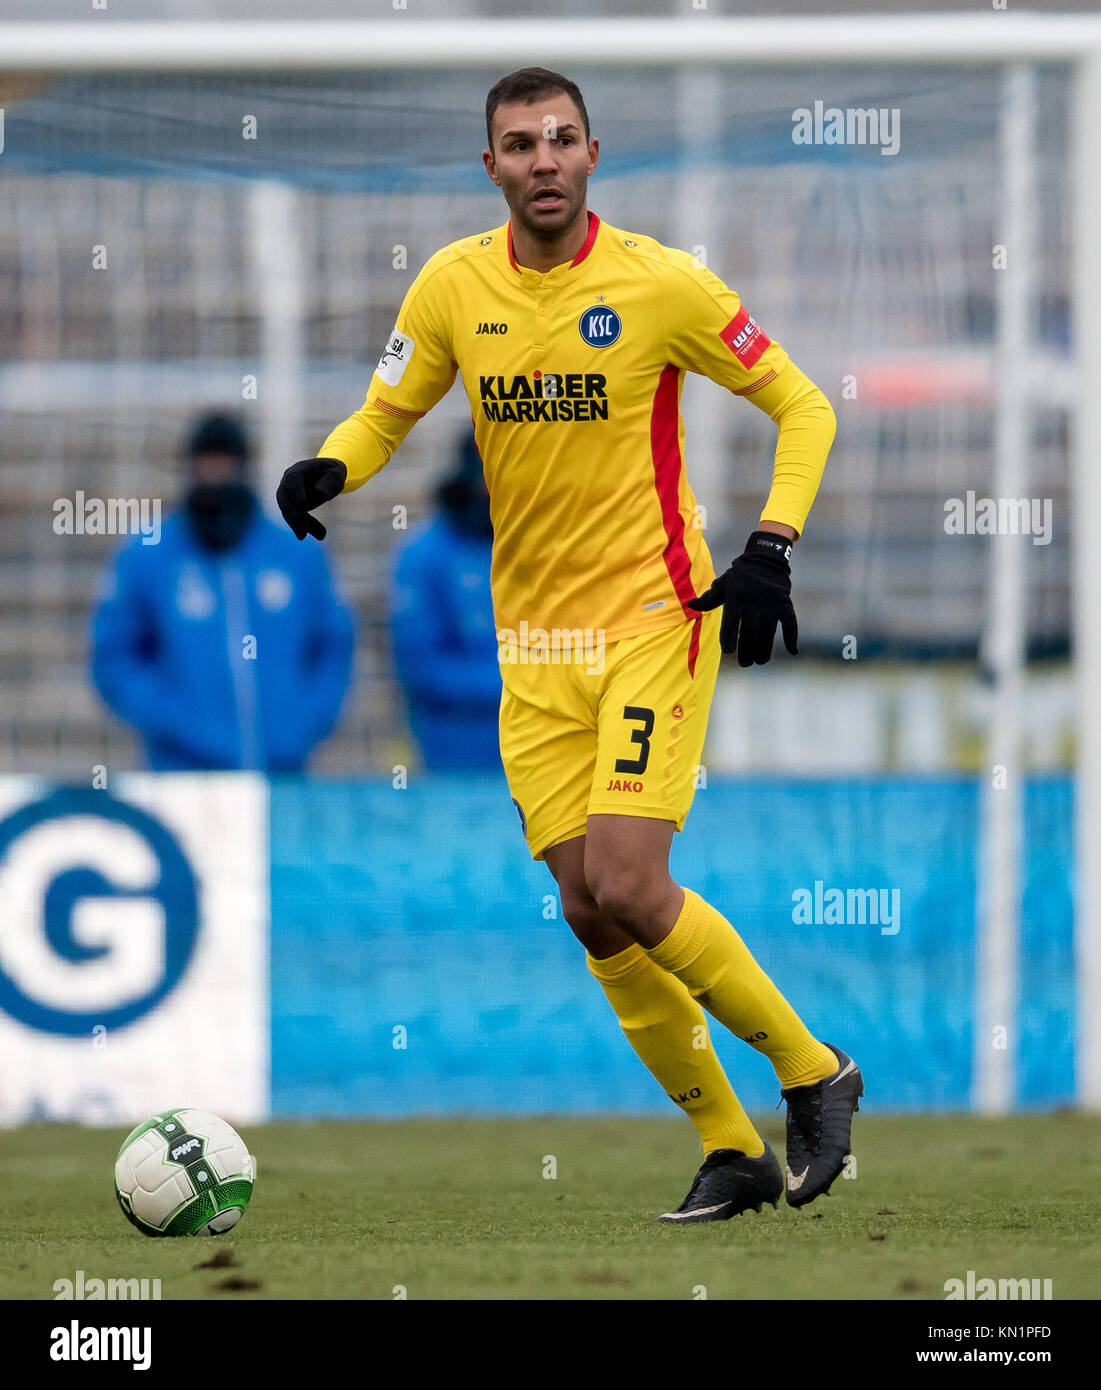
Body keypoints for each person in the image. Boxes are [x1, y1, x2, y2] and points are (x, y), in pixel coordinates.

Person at [277, 68, 862, 1221]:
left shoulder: (660, 285)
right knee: (590, 906)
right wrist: (333, 464)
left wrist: (770, 545)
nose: (541, 160)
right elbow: (390, 408)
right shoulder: (453, 286)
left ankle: (814, 1071)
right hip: (533, 649)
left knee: (633, 881)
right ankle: (729, 1147)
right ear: (488, 166)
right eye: (517, 144)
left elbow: (807, 403)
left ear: (595, 153)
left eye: (560, 140)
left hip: (656, 619)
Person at [92, 412, 354, 772]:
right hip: (184, 779)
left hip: (284, 775)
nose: (216, 478)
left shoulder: (295, 552)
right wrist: (175, 719)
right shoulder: (148, 556)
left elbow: (334, 646)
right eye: (206, 466)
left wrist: (303, 720)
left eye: (225, 466)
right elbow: (114, 659)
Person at [389, 431, 501, 771]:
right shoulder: (424, 555)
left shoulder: (544, 548)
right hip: (453, 754)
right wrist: (524, 684)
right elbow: (422, 666)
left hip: (542, 749)